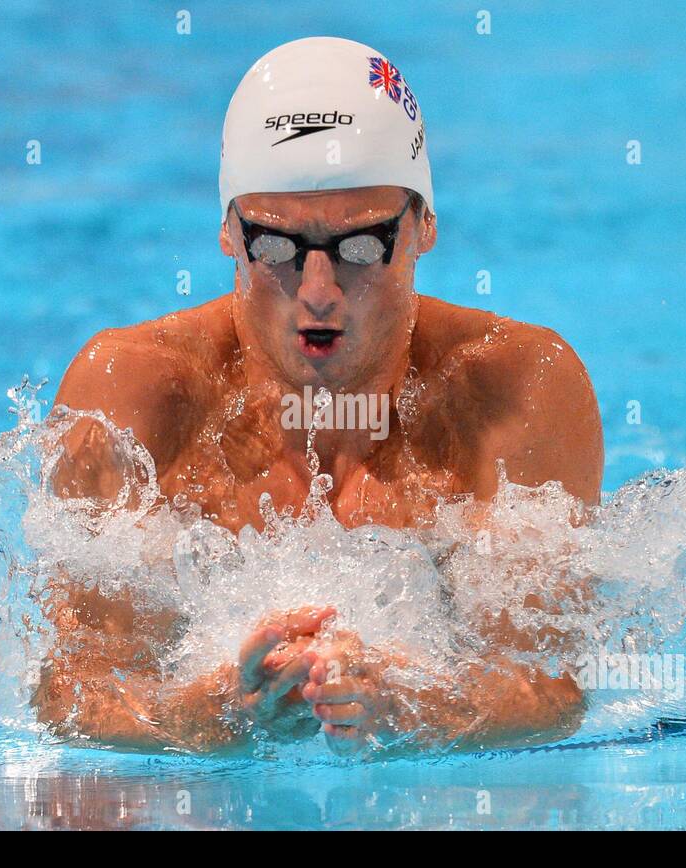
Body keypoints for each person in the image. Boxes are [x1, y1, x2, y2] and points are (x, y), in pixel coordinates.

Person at [33, 37, 603, 756]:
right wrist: (200, 720)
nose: (318, 292)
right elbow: (72, 690)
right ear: (227, 233)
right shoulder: (132, 391)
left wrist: (413, 709)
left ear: (424, 225)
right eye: (274, 246)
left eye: (361, 246)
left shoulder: (517, 386)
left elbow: (550, 689)